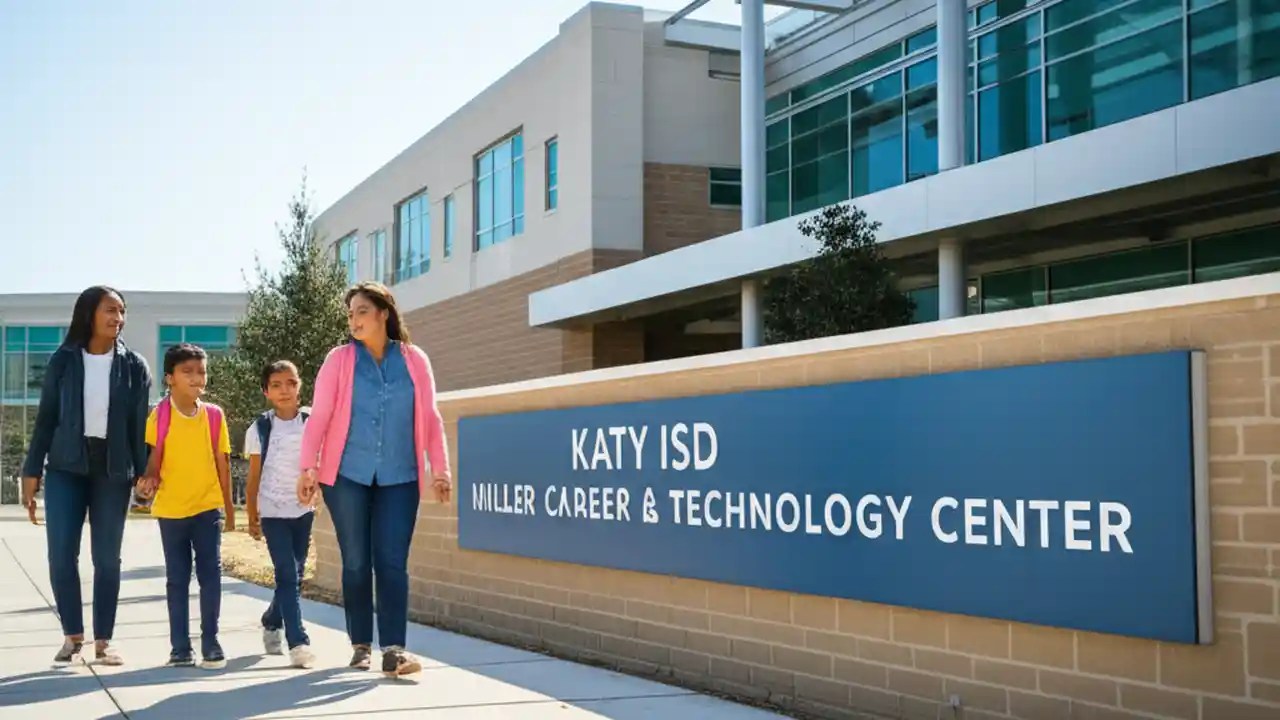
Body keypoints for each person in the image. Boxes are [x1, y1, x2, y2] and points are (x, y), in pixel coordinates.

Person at [297, 281, 452, 677]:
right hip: (346, 474)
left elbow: (431, 417)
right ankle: (361, 645)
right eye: (350, 313)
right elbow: (320, 416)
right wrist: (308, 467)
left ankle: (394, 650)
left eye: (362, 311)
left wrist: (440, 469)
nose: (354, 319)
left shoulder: (415, 360)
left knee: (392, 562)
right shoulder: (340, 359)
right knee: (356, 560)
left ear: (384, 312)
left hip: (401, 474)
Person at [20, 286, 152, 667]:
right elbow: (46, 419)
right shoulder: (63, 361)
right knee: (61, 554)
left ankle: (104, 640)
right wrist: (31, 471)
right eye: (110, 310)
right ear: (89, 313)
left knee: (107, 558)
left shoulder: (134, 365)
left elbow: (137, 426)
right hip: (65, 465)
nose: (118, 318)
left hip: (113, 468)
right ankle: (72, 635)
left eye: (122, 311)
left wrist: (142, 474)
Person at [138, 342, 234, 670]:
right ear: (170, 378)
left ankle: (211, 641)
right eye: (187, 372)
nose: (196, 378)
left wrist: (230, 511)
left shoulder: (214, 416)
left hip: (208, 508)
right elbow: (153, 461)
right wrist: (147, 480)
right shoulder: (159, 416)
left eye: (201, 372)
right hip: (171, 510)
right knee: (177, 579)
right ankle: (180, 647)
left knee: (210, 576)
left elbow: (222, 464)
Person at [244, 360, 316, 669]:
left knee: (295, 576)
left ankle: (271, 620)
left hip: (303, 509)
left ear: (300, 386)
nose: (284, 390)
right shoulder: (260, 427)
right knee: (286, 572)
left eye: (290, 382)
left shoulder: (311, 421)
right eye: (276, 385)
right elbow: (253, 477)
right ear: (266, 392)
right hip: (272, 511)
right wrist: (251, 516)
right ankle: (298, 642)